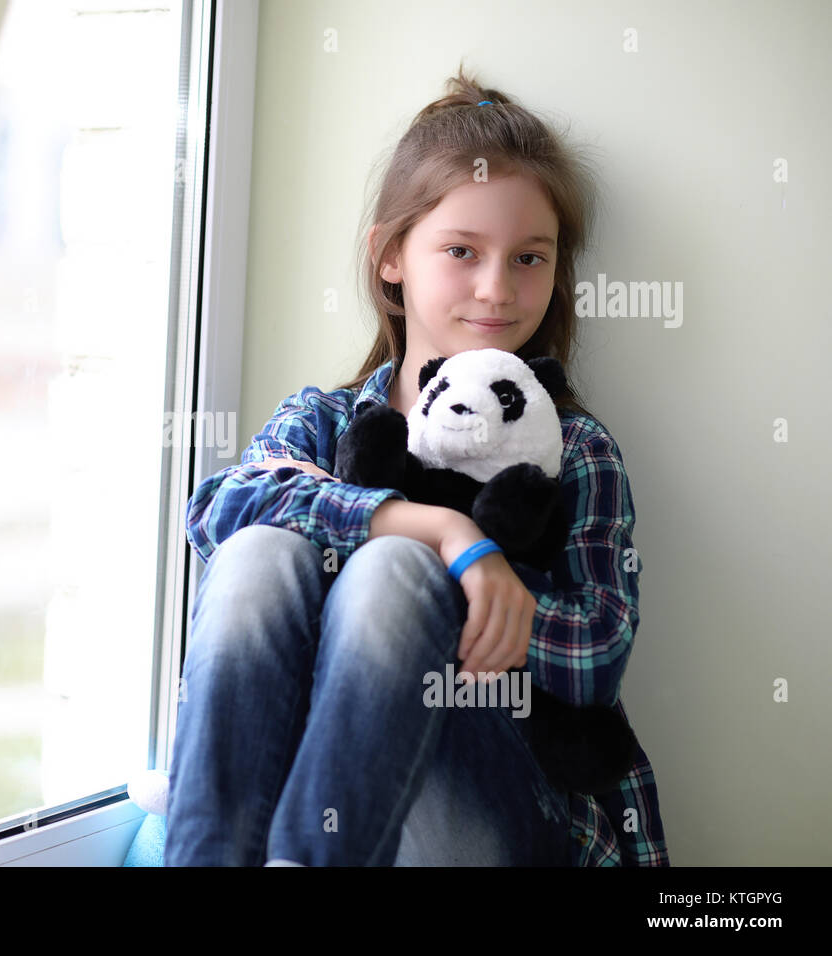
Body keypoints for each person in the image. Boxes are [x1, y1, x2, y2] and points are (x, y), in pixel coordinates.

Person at [163, 64, 669, 867]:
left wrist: (484, 590)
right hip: (322, 804)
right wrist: (443, 530)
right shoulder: (328, 421)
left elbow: (602, 649)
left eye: (529, 258)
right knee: (262, 547)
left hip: (503, 809)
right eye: (462, 250)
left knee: (392, 573)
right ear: (391, 256)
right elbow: (218, 508)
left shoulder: (574, 450)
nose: (496, 289)